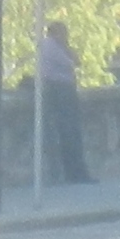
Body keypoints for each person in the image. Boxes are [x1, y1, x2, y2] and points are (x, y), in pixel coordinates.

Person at [36, 19, 93, 186]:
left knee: (71, 132)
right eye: (64, 33)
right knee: (70, 132)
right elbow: (73, 62)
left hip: (62, 89)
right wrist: (66, 47)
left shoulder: (52, 46)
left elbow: (77, 62)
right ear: (56, 33)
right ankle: (76, 172)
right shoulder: (50, 46)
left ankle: (76, 172)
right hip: (60, 90)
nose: (66, 36)